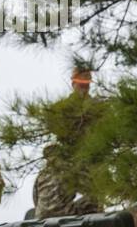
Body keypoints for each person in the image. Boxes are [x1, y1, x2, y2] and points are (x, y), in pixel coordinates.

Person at [33, 67, 101, 218]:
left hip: (89, 159)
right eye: (80, 84)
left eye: (86, 85)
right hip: (69, 158)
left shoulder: (97, 107)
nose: (83, 88)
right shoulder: (60, 109)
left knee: (95, 202)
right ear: (73, 83)